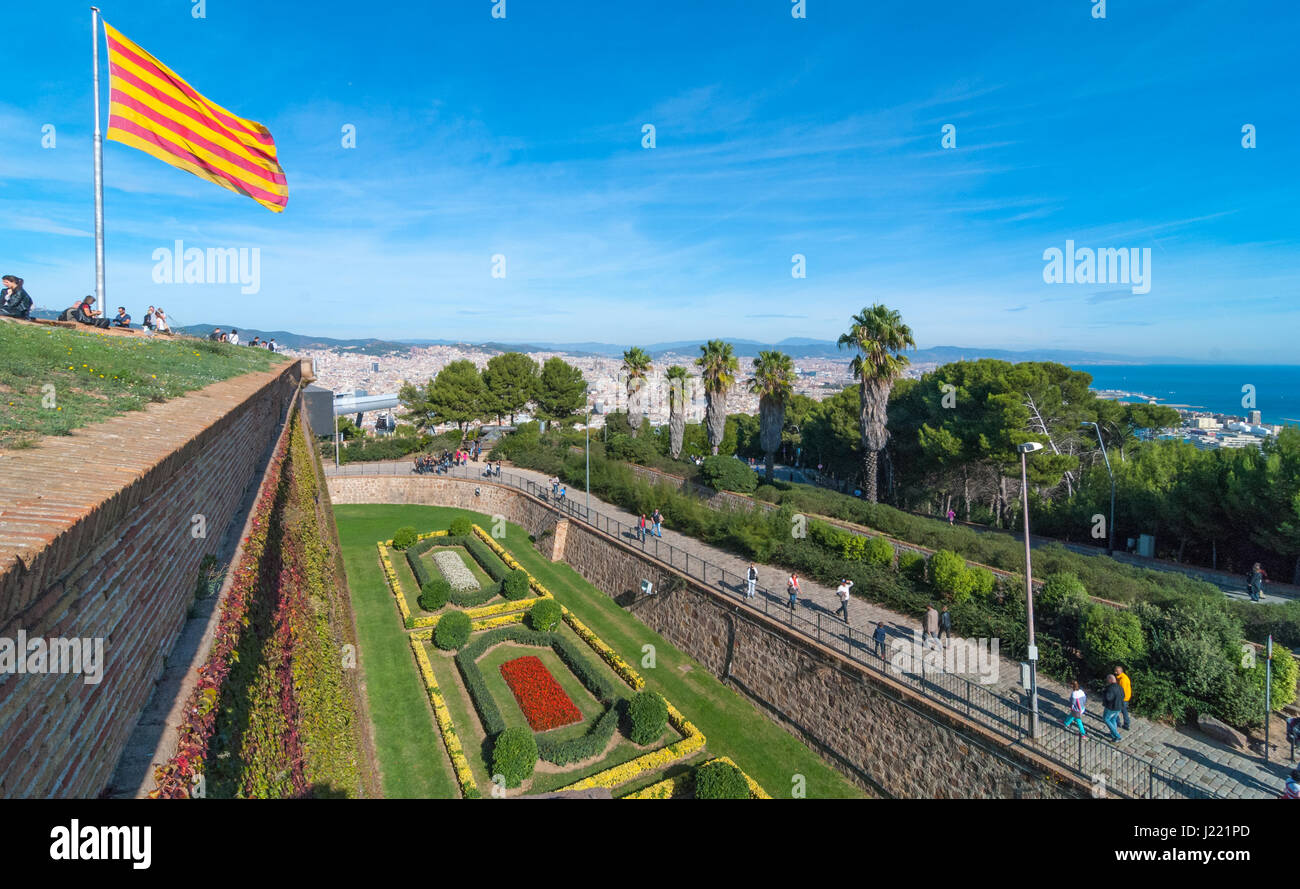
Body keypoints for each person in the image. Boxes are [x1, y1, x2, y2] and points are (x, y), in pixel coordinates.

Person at [1101, 673, 1124, 741]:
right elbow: (1123, 695)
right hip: (1119, 706)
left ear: (1110, 680)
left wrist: (1104, 692)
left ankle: (1117, 736)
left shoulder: (1110, 688)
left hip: (1111, 708)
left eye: (1107, 679)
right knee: (1113, 719)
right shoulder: (1120, 687)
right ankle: (1113, 734)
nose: (1107, 681)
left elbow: (1108, 698)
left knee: (1106, 719)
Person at [1115, 665, 1132, 730]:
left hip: (1123, 698)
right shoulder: (1123, 677)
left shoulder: (1122, 680)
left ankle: (1118, 723)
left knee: (1117, 710)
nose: (1115, 672)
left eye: (1117, 671)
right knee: (1124, 711)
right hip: (1125, 698)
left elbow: (1122, 690)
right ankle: (1126, 724)